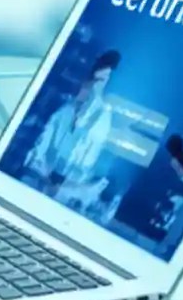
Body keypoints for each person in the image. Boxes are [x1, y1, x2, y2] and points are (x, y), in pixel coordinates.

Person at [24, 49, 120, 197]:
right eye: (93, 81)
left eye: (101, 80)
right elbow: (39, 149)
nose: (93, 86)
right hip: (40, 180)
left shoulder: (101, 118)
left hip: (63, 187)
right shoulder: (64, 112)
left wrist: (67, 186)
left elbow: (87, 166)